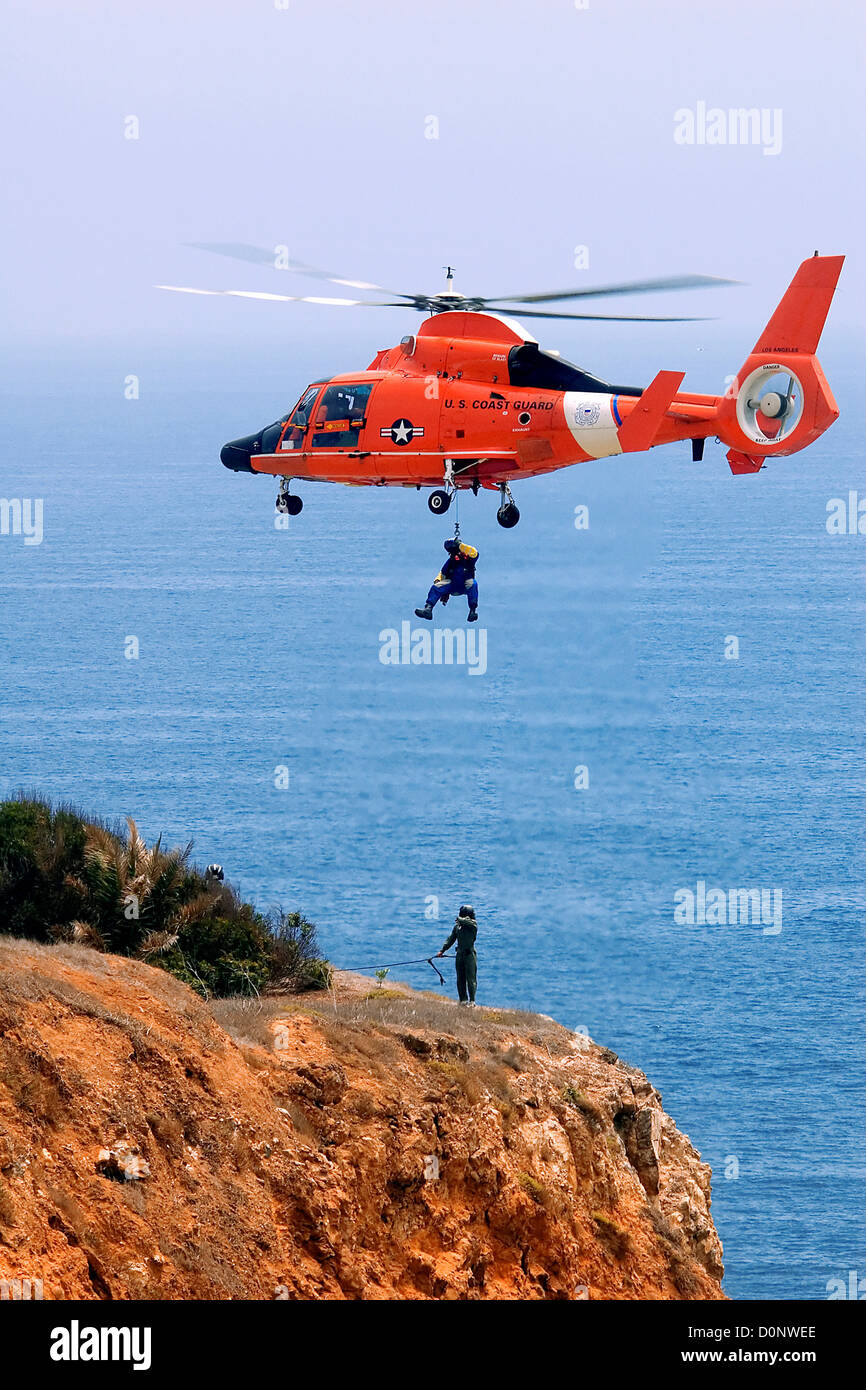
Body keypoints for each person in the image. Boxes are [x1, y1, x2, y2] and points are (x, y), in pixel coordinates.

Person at [415, 539, 479, 622]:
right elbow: (442, 573)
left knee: (473, 584)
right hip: (452, 585)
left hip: (465, 584)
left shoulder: (468, 559)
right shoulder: (450, 562)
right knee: (436, 587)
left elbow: (474, 553)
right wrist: (437, 581)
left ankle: (472, 611)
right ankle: (428, 609)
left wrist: (460, 545)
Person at [437, 904, 478, 1005]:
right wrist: (443, 950)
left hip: (470, 955)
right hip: (459, 954)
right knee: (460, 978)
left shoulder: (473, 925)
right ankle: (463, 1000)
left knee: (471, 979)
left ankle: (472, 1001)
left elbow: (467, 921)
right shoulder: (457, 927)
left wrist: (459, 919)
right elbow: (451, 939)